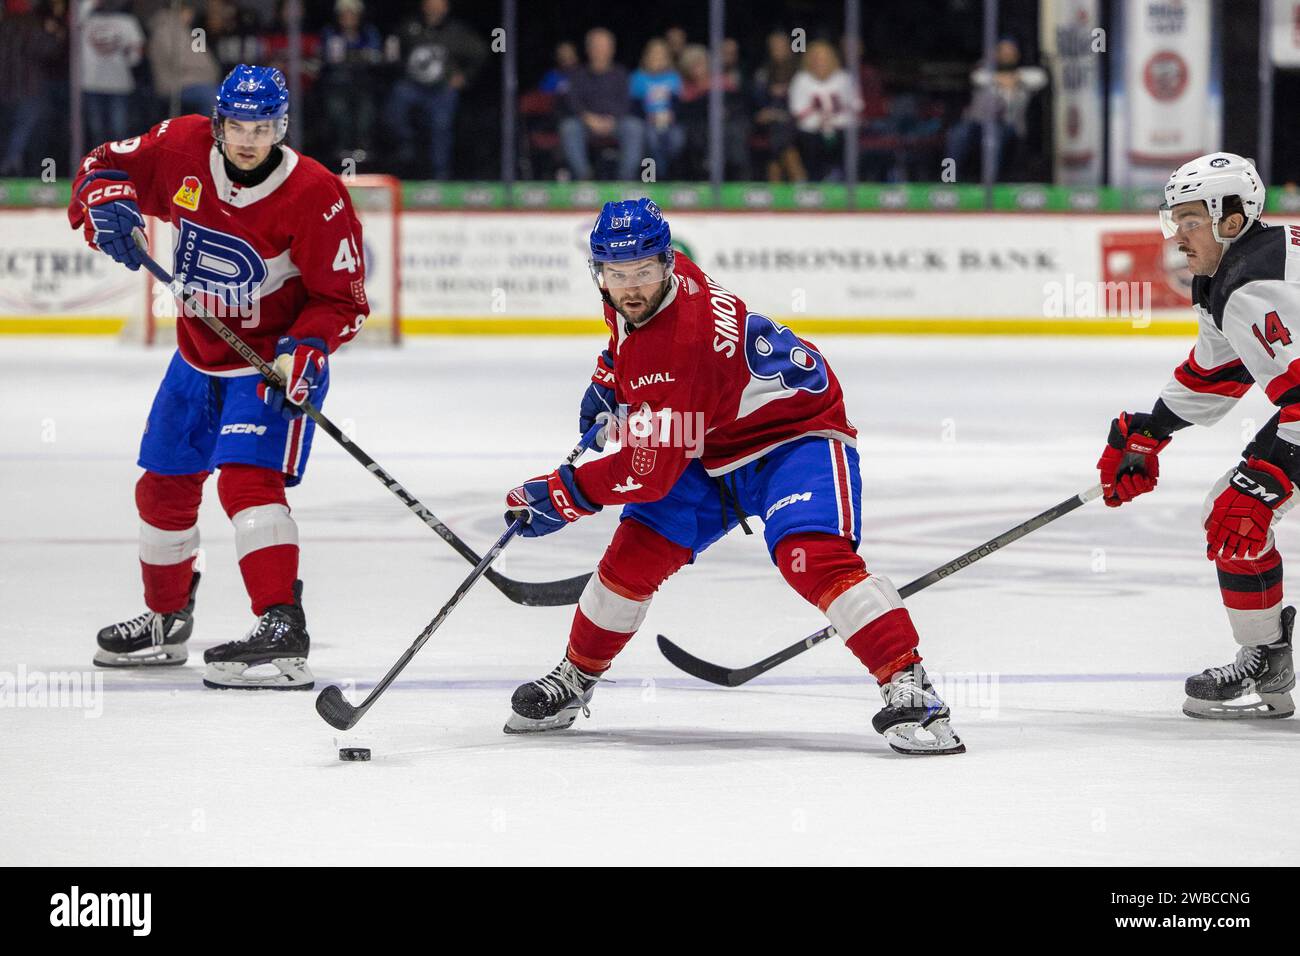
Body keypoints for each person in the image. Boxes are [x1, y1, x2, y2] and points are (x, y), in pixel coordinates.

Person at [500, 198, 965, 755]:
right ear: (598, 271)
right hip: (710, 440)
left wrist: (563, 493)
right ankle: (576, 679)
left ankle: (911, 688)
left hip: (793, 436)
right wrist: (610, 379)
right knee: (633, 557)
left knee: (811, 555)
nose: (629, 287)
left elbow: (647, 473)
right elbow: (633, 348)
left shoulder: (679, 345)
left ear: (666, 262)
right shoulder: (648, 295)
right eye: (615, 273)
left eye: (642, 271)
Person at [69, 65, 369, 690]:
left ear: (281, 128)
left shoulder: (317, 194)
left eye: (264, 127)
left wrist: (307, 350)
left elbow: (342, 300)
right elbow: (101, 166)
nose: (250, 140)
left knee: (246, 484)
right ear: (218, 123)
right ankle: (166, 619)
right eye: (238, 125)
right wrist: (108, 211)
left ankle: (282, 629)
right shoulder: (179, 148)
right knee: (162, 488)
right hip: (195, 358)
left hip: (268, 366)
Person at [1094, 152, 1297, 720]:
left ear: (1231, 219)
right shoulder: (1233, 273)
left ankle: (1265, 655)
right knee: (1233, 508)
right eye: (1174, 220)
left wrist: (1269, 478)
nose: (1178, 236)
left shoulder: (1255, 283)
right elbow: (1218, 372)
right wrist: (1150, 432)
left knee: (1240, 510)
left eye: (1190, 221)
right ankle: (1267, 658)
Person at [386, 0, 488, 180]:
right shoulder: (410, 26)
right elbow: (392, 52)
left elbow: (480, 53)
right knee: (396, 103)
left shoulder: (457, 31)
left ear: (446, 7)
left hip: (441, 89)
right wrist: (399, 70)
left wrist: (465, 76)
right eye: (430, 4)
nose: (434, 8)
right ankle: (407, 144)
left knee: (441, 127)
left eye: (438, 4)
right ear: (423, 6)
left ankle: (440, 176)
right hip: (412, 86)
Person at [945, 37, 1047, 182]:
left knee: (992, 136)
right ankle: (949, 179)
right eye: (1003, 52)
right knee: (956, 134)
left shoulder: (1026, 75)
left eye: (1010, 52)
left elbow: (1040, 78)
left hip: (1008, 126)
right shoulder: (984, 70)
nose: (1006, 55)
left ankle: (989, 182)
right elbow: (977, 77)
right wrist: (1001, 78)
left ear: (1017, 55)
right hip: (976, 124)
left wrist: (1015, 78)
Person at [559, 27, 644, 181]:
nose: (600, 51)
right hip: (586, 123)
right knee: (569, 127)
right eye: (596, 47)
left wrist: (612, 120)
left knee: (634, 127)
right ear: (588, 49)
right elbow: (572, 101)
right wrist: (589, 119)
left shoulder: (621, 74)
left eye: (604, 47)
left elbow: (626, 103)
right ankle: (585, 178)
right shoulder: (577, 74)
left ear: (612, 50)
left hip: (615, 123)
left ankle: (625, 181)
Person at [788, 40, 862, 182]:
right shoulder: (801, 79)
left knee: (847, 140)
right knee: (807, 142)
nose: (820, 62)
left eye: (824, 59)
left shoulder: (844, 78)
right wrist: (819, 120)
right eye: (816, 58)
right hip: (810, 131)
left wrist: (832, 120)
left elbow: (855, 106)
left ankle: (842, 178)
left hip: (841, 128)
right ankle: (813, 181)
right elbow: (797, 111)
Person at [80, 0, 144, 147]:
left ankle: (116, 163)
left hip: (117, 85)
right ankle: (101, 163)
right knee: (98, 131)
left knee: (118, 130)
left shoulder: (127, 21)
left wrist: (128, 59)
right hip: (92, 84)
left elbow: (137, 52)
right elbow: (77, 16)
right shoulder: (87, 20)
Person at [148, 1, 222, 118]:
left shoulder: (185, 31)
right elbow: (177, 60)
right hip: (178, 84)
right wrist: (202, 69)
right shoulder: (165, 31)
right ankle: (206, 133)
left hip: (195, 82)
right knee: (213, 97)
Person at [629, 38, 683, 180]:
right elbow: (634, 106)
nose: (657, 58)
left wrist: (672, 115)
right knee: (651, 139)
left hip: (669, 122)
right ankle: (655, 178)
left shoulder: (673, 78)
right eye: (653, 55)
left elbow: (678, 104)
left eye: (661, 55)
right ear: (646, 57)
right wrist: (648, 117)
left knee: (677, 139)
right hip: (647, 122)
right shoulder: (638, 77)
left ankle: (669, 175)